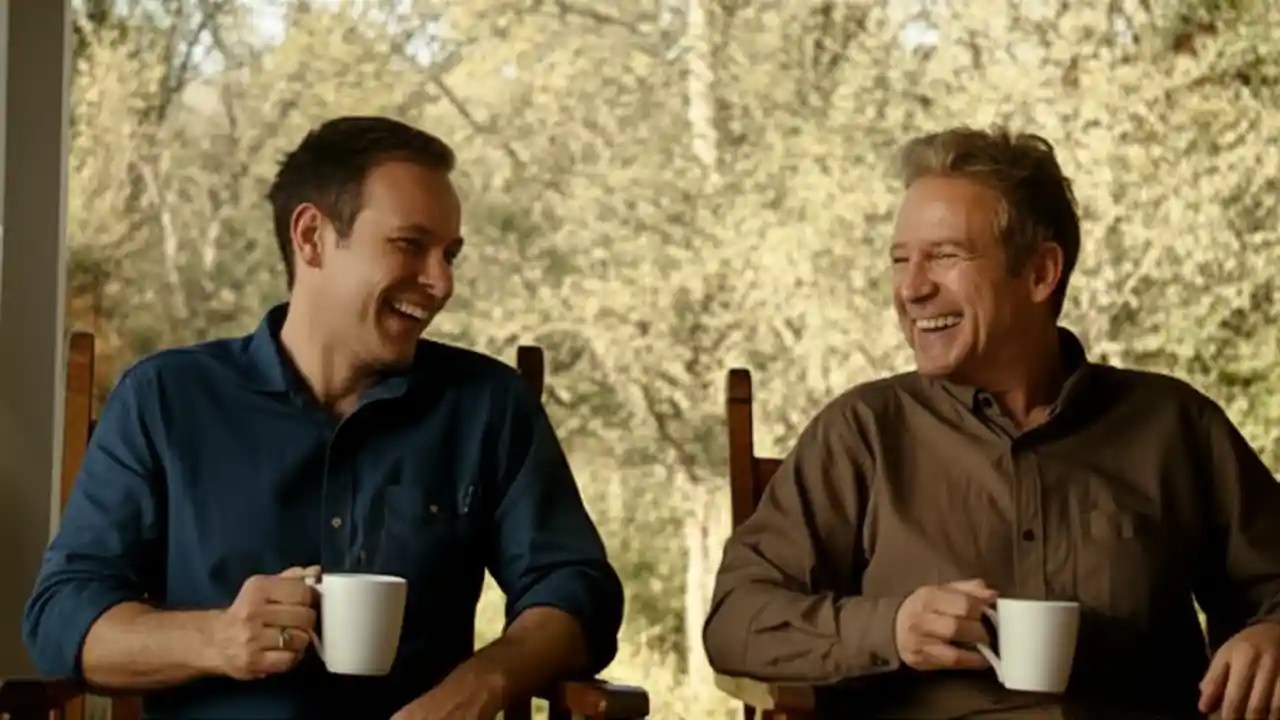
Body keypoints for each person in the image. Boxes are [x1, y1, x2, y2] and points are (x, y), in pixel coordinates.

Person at [23, 116, 624, 720]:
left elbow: (578, 590)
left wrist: (483, 685)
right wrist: (217, 639)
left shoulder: (487, 405)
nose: (441, 283)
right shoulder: (163, 399)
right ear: (311, 237)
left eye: (450, 255)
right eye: (409, 245)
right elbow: (61, 616)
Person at [702, 127, 1280, 719]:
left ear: (1040, 273)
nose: (911, 288)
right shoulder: (863, 434)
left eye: (945, 256)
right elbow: (735, 621)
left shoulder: (1174, 425)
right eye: (900, 260)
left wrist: (1272, 636)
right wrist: (892, 629)